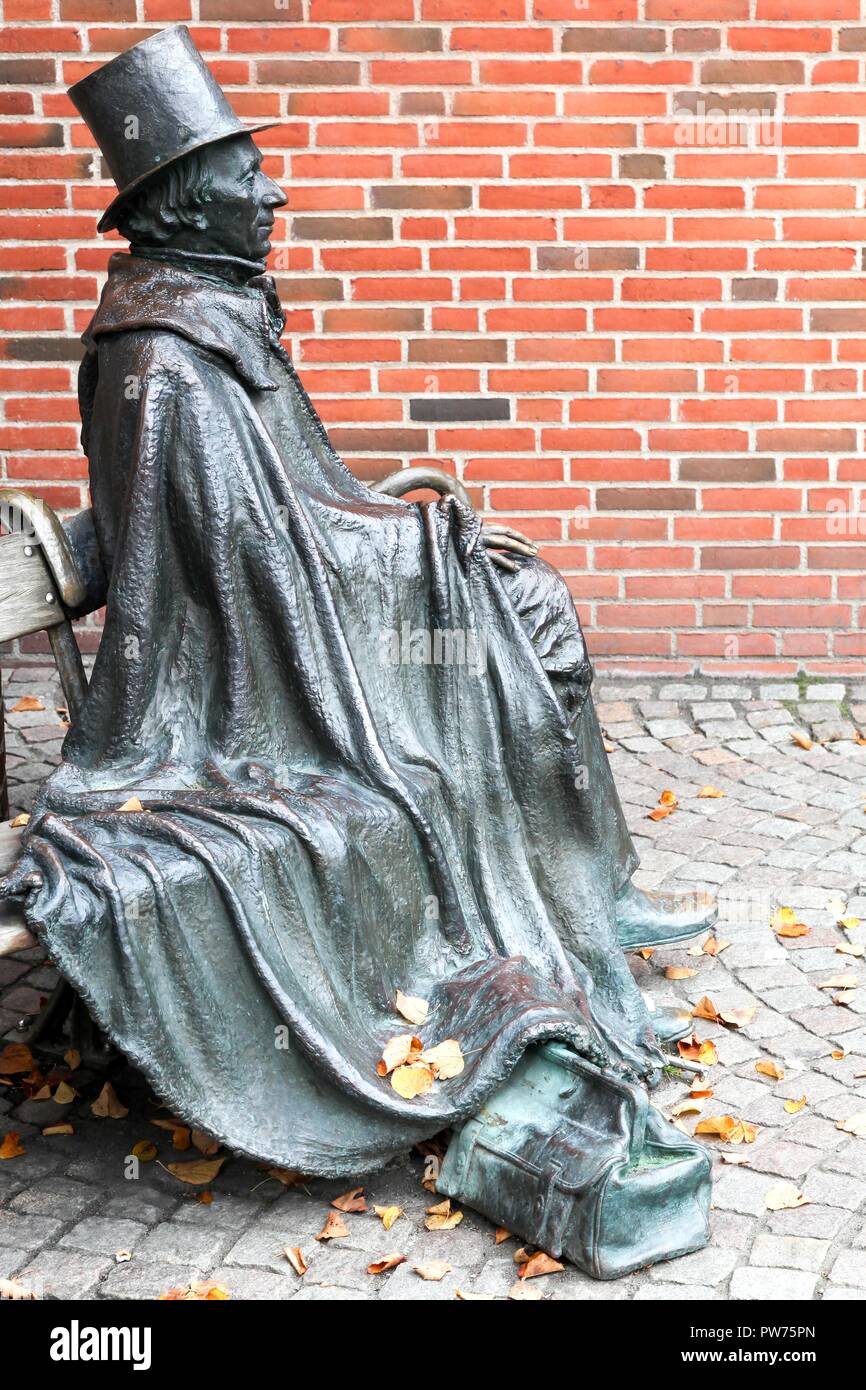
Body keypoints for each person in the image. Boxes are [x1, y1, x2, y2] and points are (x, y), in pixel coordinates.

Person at [1, 28, 715, 1176]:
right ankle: (548, 915)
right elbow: (236, 554)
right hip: (248, 677)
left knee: (524, 601)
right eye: (243, 173)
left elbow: (296, 505)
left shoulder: (223, 307)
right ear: (185, 200)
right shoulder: (160, 354)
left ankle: (587, 889)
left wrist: (410, 537)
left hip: (314, 604)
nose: (269, 187)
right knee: (453, 688)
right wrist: (412, 543)